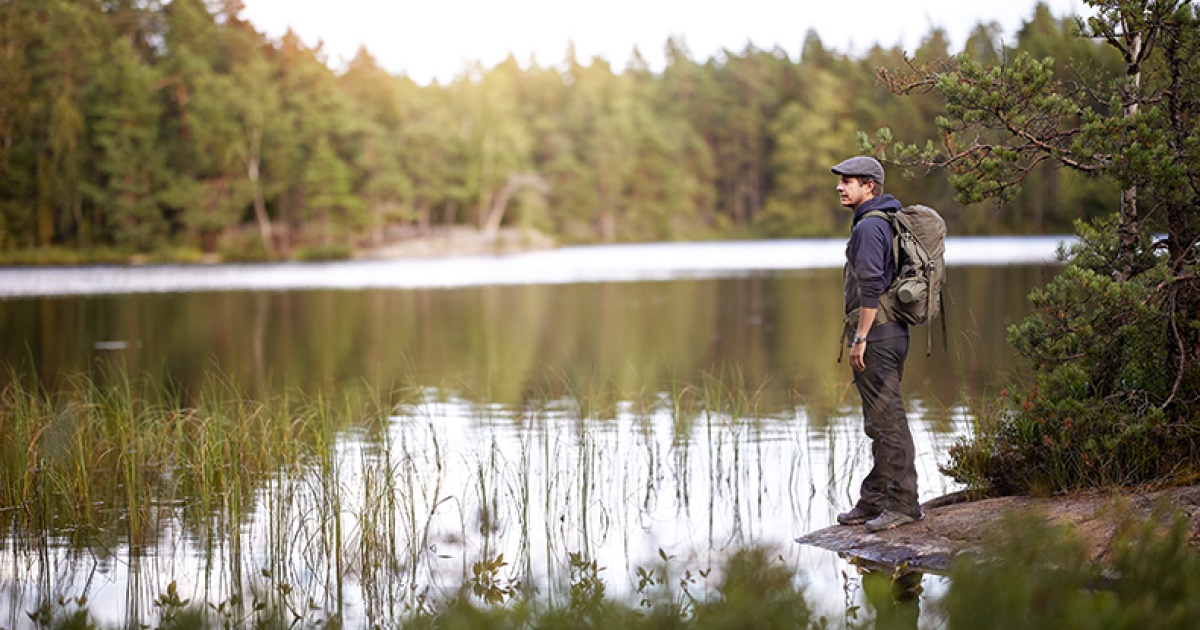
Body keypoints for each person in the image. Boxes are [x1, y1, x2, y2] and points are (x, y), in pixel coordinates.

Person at [830, 155, 922, 533]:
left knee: (888, 423)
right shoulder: (884, 220)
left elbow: (870, 287)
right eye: (840, 181)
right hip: (892, 332)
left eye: (848, 181)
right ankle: (874, 501)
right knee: (880, 421)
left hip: (877, 335)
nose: (839, 186)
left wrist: (861, 338)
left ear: (870, 186)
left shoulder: (870, 227)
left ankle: (903, 505)